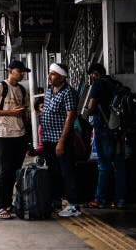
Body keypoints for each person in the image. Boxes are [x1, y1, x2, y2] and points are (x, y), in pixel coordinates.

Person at [0, 61, 30, 220]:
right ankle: (3, 205)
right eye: (20, 71)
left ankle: (15, 202)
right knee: (6, 170)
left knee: (17, 170)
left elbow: (24, 113)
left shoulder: (23, 90)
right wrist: (10, 113)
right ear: (10, 71)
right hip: (4, 134)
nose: (22, 74)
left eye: (24, 71)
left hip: (20, 134)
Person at [40, 63, 81, 217]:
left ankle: (73, 205)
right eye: (50, 73)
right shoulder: (50, 91)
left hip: (60, 139)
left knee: (67, 171)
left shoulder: (68, 92)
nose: (49, 77)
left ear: (62, 77)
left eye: (53, 74)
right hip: (48, 139)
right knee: (54, 172)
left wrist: (62, 141)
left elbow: (70, 117)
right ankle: (56, 202)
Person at [83, 62, 125, 209]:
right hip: (118, 129)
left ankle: (100, 199)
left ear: (95, 73)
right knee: (119, 166)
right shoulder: (116, 84)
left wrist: (86, 111)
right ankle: (120, 200)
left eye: (91, 75)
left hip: (104, 128)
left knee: (103, 165)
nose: (91, 78)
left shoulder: (98, 84)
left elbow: (92, 105)